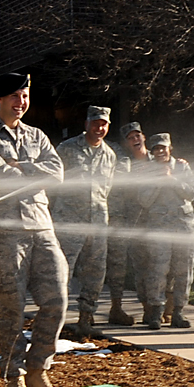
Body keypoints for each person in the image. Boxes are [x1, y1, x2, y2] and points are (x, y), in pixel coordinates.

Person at [0, 72, 68, 387]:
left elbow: (56, 174)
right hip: (6, 232)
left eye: (25, 95)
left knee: (56, 299)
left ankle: (37, 369)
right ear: (0, 99)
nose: (21, 102)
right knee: (12, 307)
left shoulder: (37, 135)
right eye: (14, 96)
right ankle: (12, 376)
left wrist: (22, 164)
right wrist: (32, 171)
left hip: (42, 227)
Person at [54, 105, 120, 333]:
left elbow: (106, 188)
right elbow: (53, 181)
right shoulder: (67, 149)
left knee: (95, 271)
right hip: (69, 222)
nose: (99, 128)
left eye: (103, 124)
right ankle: (55, 320)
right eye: (95, 122)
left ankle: (85, 318)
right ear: (86, 124)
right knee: (62, 270)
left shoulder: (110, 155)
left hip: (98, 223)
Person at [139, 133, 194, 328]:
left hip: (184, 225)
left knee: (184, 269)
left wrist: (172, 179)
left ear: (169, 148)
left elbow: (191, 193)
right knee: (158, 269)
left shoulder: (182, 167)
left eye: (163, 148)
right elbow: (144, 201)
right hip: (159, 227)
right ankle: (156, 312)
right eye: (156, 148)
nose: (160, 152)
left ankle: (178, 312)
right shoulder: (147, 171)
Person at [104, 122, 149, 325]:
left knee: (148, 264)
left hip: (149, 221)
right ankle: (116, 307)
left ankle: (153, 308)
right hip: (121, 220)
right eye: (130, 138)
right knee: (118, 263)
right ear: (124, 143)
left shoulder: (158, 158)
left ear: (144, 137)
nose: (135, 140)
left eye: (137, 136)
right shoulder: (120, 160)